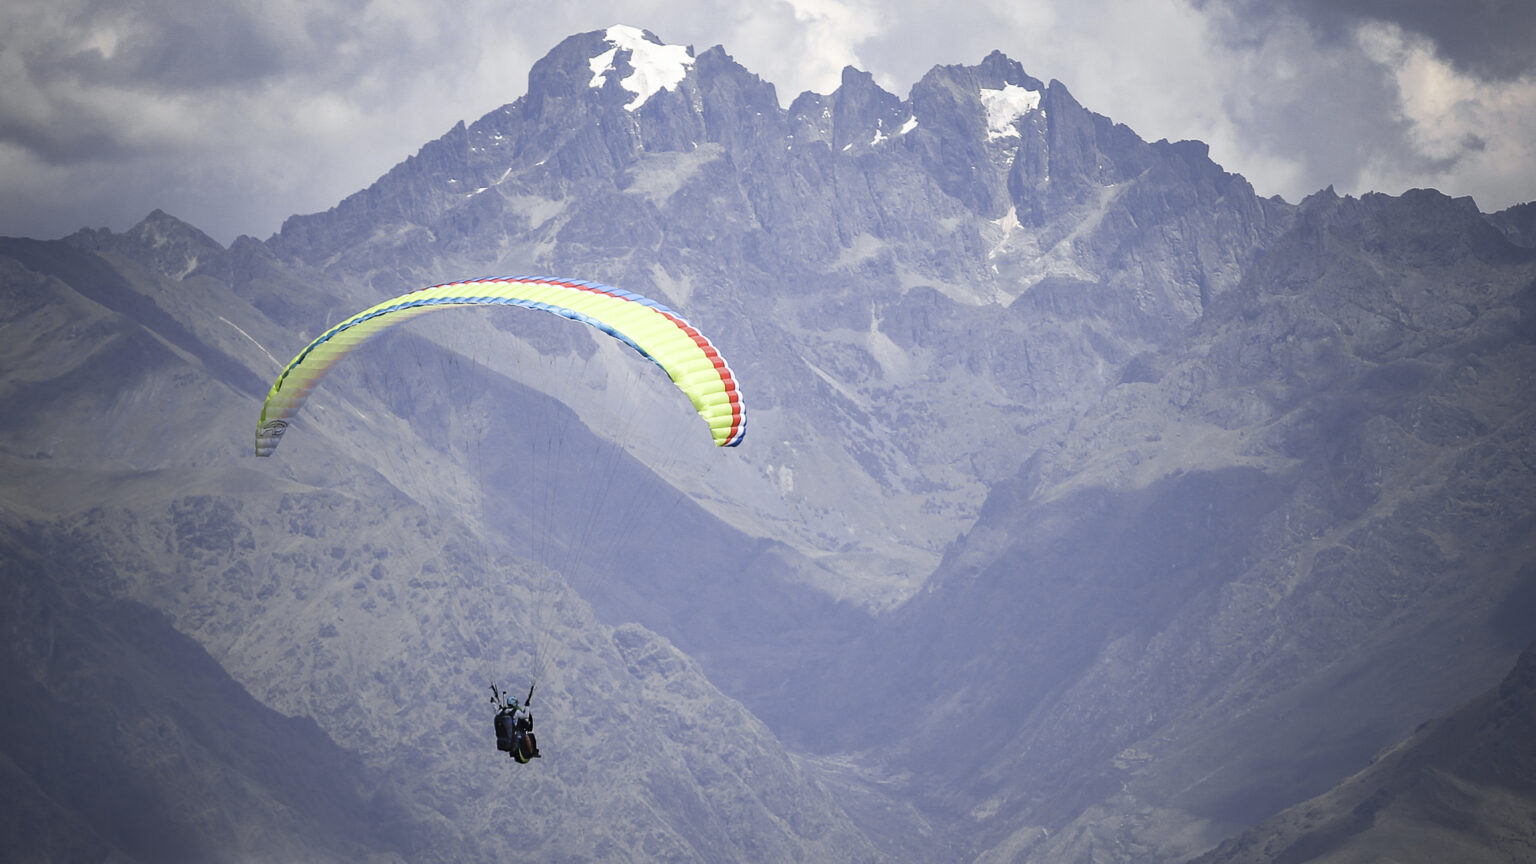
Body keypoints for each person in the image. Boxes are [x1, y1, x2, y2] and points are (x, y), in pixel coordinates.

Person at [491, 684, 541, 762]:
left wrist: (493, 703)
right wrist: (527, 706)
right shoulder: (516, 712)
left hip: (504, 738)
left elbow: (495, 711)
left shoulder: (502, 711)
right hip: (515, 735)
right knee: (528, 736)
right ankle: (532, 752)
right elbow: (525, 716)